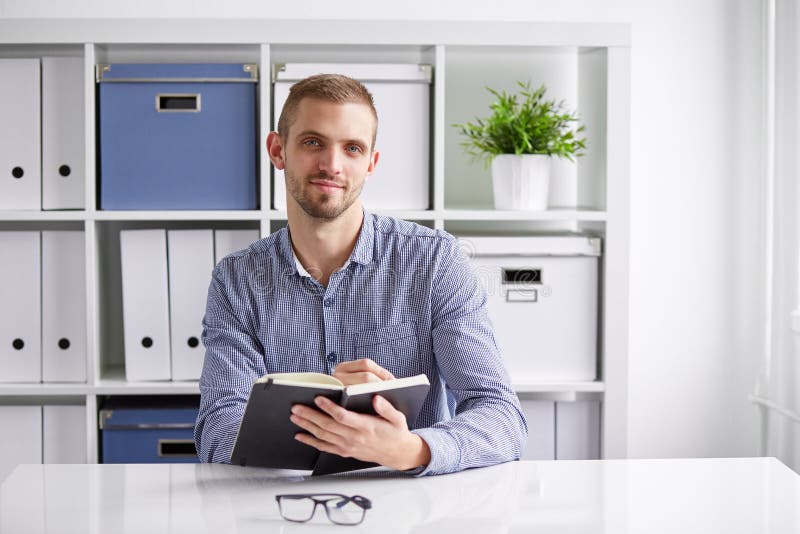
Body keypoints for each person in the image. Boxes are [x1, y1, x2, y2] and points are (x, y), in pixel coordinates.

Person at [194, 73, 527, 475]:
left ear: (371, 163)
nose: (331, 165)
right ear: (278, 150)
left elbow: (501, 415)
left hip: (417, 508)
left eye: (352, 148)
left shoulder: (435, 261)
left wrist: (410, 449)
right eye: (313, 142)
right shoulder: (237, 279)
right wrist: (318, 409)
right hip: (284, 508)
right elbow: (216, 427)